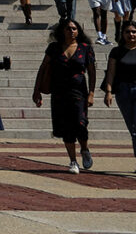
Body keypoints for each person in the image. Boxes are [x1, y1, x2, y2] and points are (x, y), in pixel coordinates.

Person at [33, 17, 97, 173]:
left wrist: (91, 93)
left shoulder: (85, 48)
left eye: (74, 28)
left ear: (78, 31)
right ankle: (73, 161)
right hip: (59, 92)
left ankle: (84, 149)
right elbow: (43, 68)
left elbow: (92, 72)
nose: (71, 31)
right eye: (68, 28)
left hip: (79, 92)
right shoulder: (54, 48)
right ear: (62, 30)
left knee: (81, 124)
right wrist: (37, 90)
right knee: (66, 127)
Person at [100, 19, 136, 169]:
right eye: (127, 32)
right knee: (133, 128)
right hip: (124, 91)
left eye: (134, 31)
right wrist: (108, 91)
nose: (131, 34)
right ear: (122, 34)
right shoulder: (116, 51)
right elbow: (111, 73)